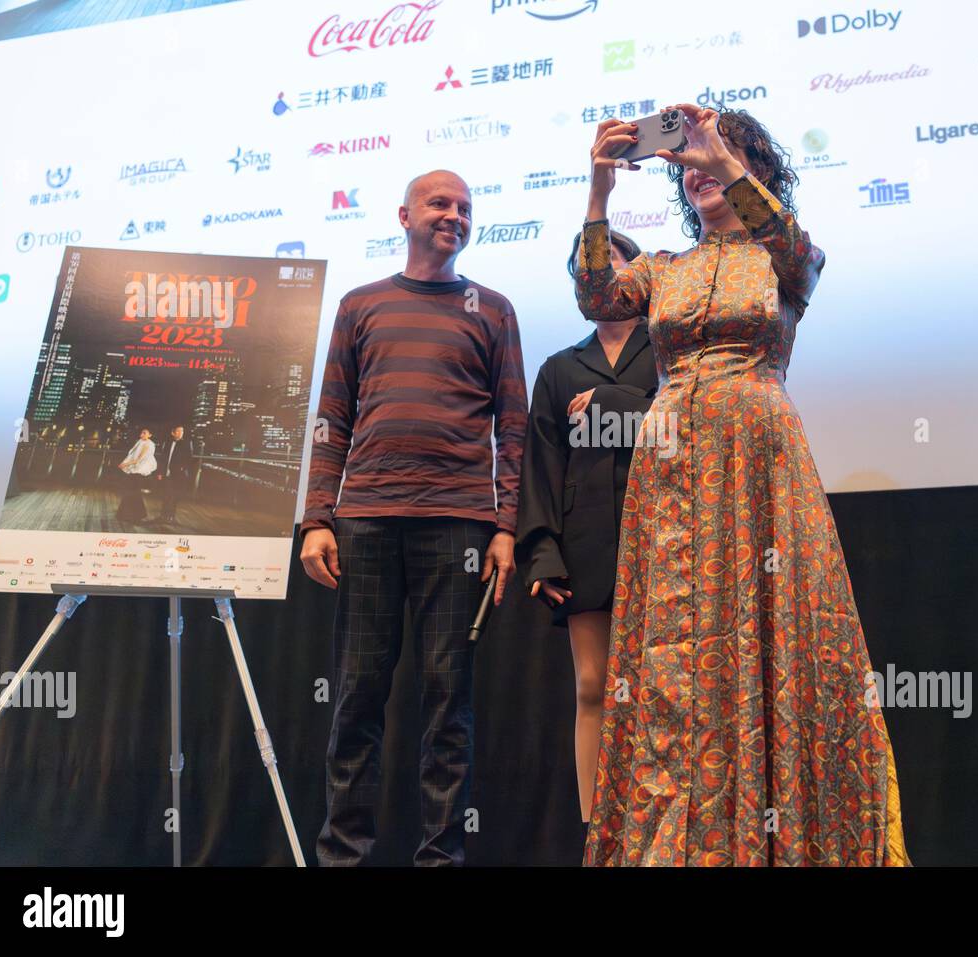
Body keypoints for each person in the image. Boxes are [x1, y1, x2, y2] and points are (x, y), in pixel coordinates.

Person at [574, 104, 910, 866]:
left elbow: (795, 251)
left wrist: (717, 151)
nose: (693, 169)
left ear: (749, 163)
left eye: (711, 158)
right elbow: (597, 297)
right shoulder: (663, 266)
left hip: (758, 456)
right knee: (671, 645)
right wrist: (598, 187)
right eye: (683, 162)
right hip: (668, 469)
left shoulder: (787, 259)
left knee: (771, 628)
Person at [299, 169, 528, 867]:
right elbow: (331, 416)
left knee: (446, 704)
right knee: (358, 699)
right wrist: (316, 518)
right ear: (404, 215)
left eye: (464, 206)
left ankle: (440, 859)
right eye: (439, 203)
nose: (453, 214)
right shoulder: (359, 304)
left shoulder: (493, 309)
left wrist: (505, 527)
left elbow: (513, 429)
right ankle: (343, 857)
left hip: (459, 527)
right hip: (365, 520)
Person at [515, 230, 658, 855]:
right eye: (584, 269)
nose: (597, 276)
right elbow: (539, 468)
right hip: (586, 542)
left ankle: (666, 828)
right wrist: (541, 552)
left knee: (667, 688)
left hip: (671, 537)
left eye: (609, 262)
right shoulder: (557, 368)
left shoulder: (675, 348)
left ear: (638, 272)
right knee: (592, 687)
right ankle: (601, 836)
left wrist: (610, 401)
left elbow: (685, 420)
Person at [115, 427, 157, 523]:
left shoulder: (148, 444)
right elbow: (132, 455)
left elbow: (138, 459)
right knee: (131, 492)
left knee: (134, 492)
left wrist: (125, 464)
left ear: (150, 435)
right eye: (141, 433)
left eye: (144, 433)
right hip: (134, 470)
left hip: (138, 471)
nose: (141, 435)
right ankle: (129, 515)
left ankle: (136, 515)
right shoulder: (140, 441)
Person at [156, 424, 191, 525]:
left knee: (174, 496)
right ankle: (162, 516)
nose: (181, 433)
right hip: (166, 473)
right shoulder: (167, 443)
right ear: (173, 433)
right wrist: (160, 472)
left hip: (178, 475)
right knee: (166, 495)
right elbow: (163, 459)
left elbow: (189, 458)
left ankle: (171, 517)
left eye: (182, 431)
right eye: (179, 431)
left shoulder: (187, 443)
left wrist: (182, 468)